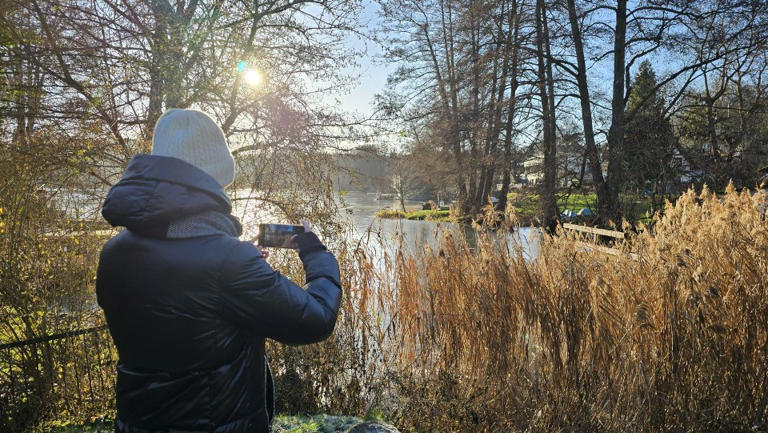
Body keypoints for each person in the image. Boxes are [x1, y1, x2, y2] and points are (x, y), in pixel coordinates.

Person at [96, 109, 342, 433]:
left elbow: (181, 305)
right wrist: (314, 251)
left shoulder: (115, 252)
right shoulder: (228, 263)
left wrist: (238, 261)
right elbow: (316, 318)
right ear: (212, 178)